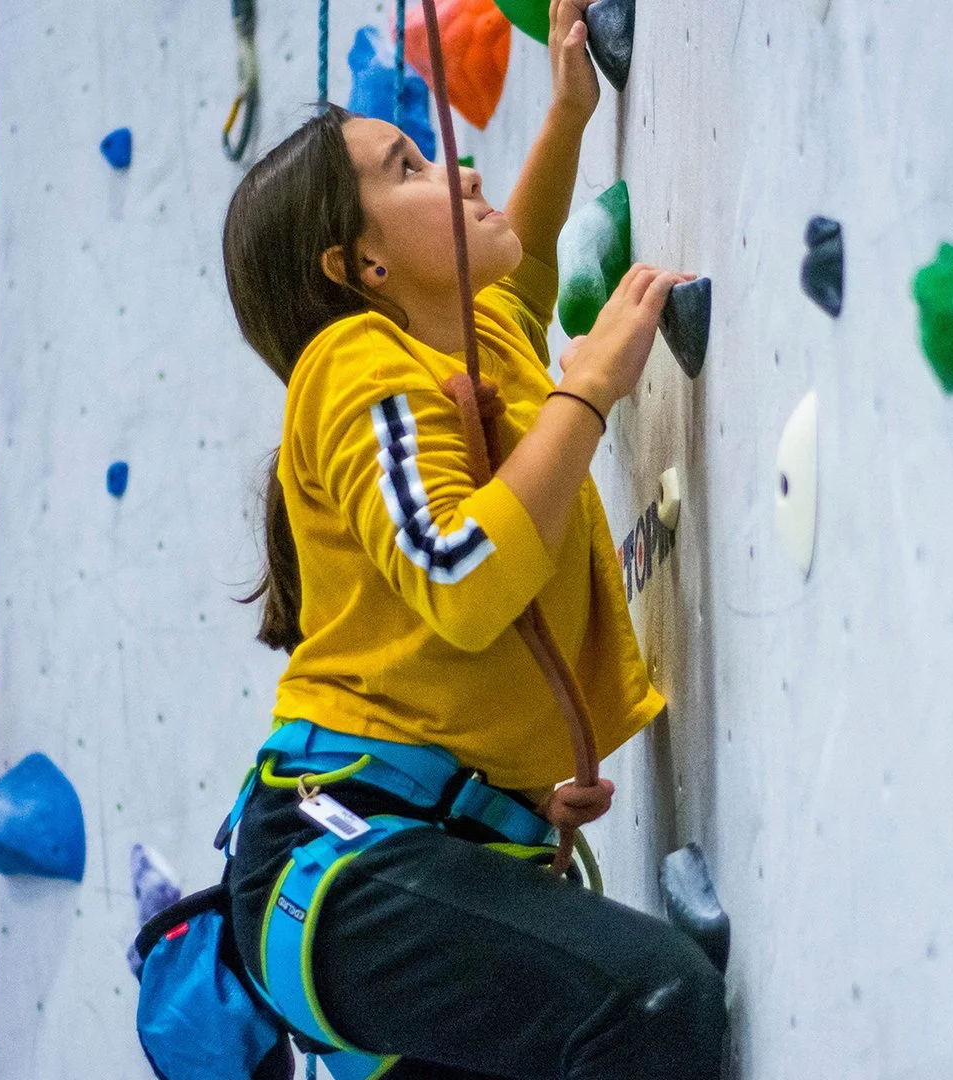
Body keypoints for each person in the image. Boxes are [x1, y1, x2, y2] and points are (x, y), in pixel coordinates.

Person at [220, 1, 726, 1077]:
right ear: (358, 270)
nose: (456, 175)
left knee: (643, 1008)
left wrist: (570, 117)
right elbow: (461, 572)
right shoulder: (355, 368)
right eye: (409, 168)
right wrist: (586, 394)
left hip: (426, 838)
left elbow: (529, 255)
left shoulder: (478, 335)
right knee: (651, 999)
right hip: (339, 858)